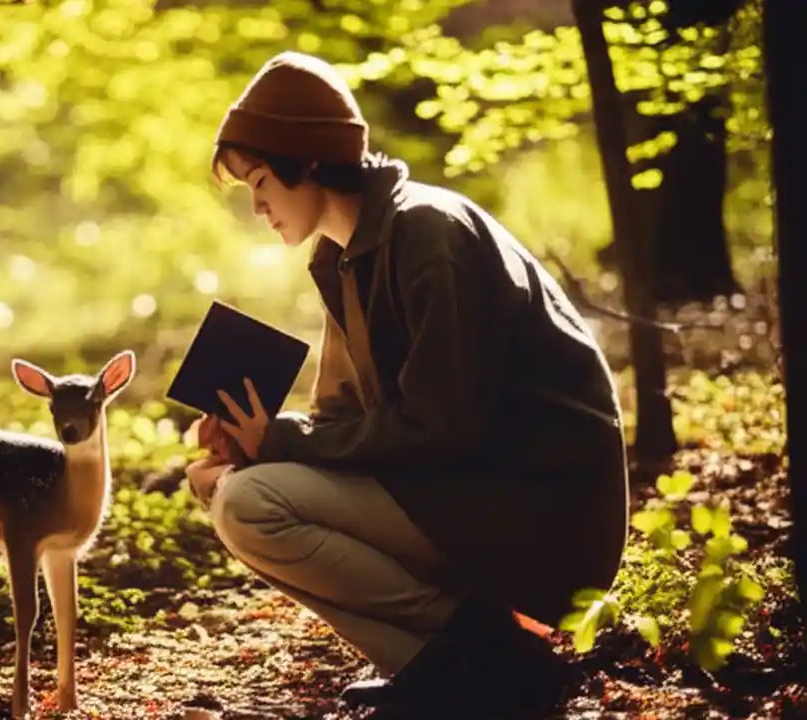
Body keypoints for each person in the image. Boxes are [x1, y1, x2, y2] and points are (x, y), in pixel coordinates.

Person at [183, 51, 630, 718]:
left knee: (251, 504)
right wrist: (251, 444)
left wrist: (283, 444)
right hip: (468, 490)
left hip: (540, 512)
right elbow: (339, 420)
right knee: (233, 489)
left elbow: (447, 425)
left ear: (307, 163)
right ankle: (446, 672)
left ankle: (487, 650)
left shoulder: (427, 233)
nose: (258, 207)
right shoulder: (344, 257)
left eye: (262, 181)